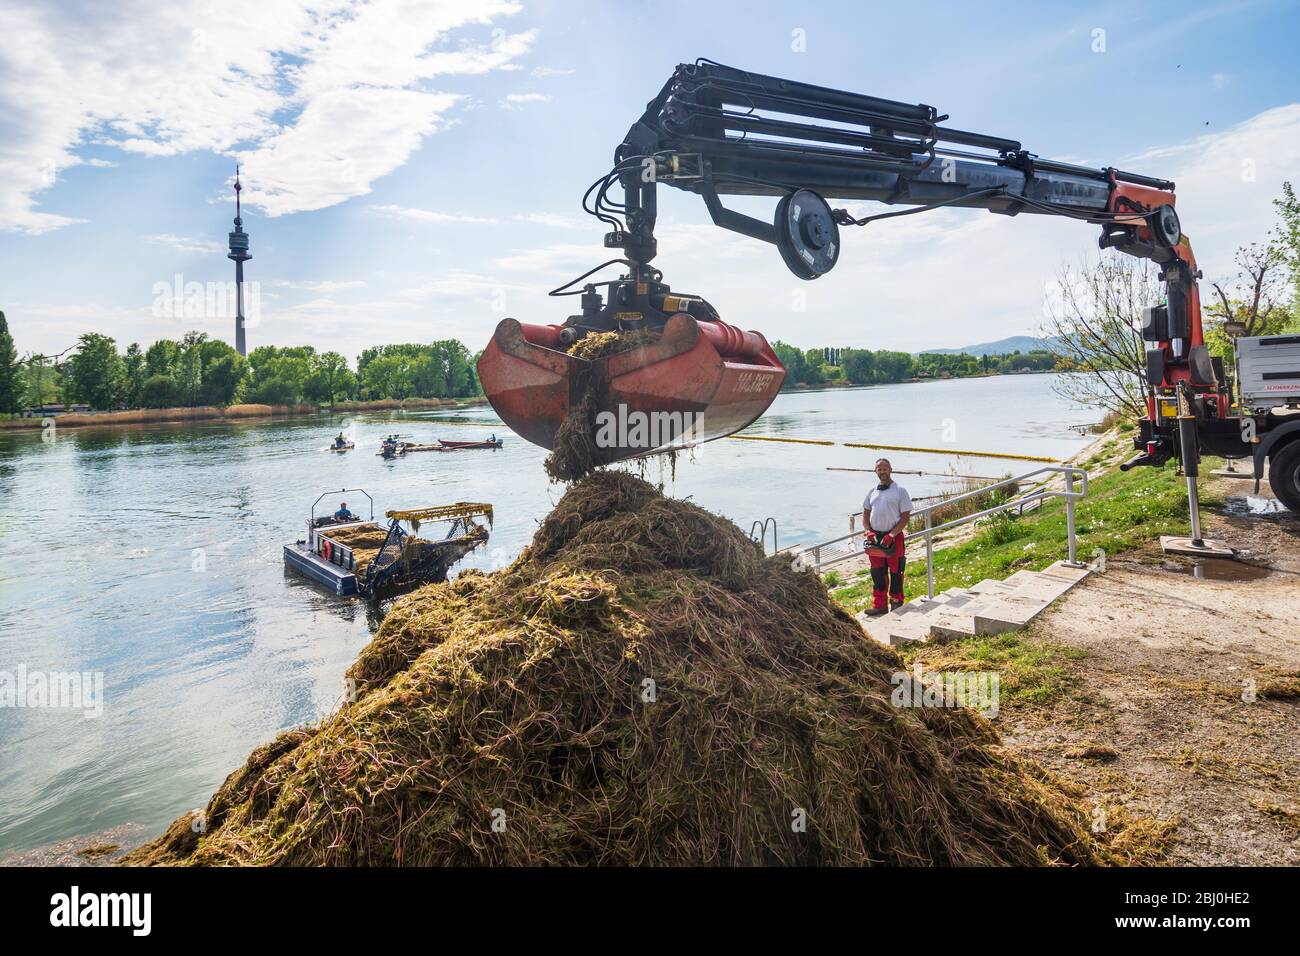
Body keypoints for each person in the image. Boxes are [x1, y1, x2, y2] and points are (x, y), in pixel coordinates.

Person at [862, 458, 912, 615]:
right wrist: (868, 531)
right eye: (879, 469)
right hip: (875, 539)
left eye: (885, 468)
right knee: (877, 573)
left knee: (897, 571)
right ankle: (880, 605)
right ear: (875, 471)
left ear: (890, 469)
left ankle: (896, 602)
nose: (882, 471)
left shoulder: (900, 491)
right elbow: (865, 514)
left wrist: (891, 534)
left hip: (894, 538)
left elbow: (905, 517)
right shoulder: (871, 492)